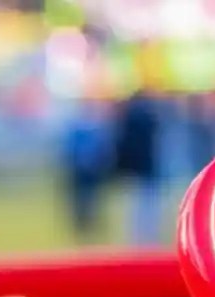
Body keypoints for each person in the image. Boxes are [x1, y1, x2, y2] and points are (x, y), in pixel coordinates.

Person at [114, 89, 165, 247]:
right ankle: (147, 239)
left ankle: (139, 239)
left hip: (137, 169)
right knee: (147, 207)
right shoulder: (148, 117)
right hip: (148, 168)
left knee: (137, 208)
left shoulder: (128, 118)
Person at [60, 96, 113, 244]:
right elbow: (70, 148)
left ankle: (91, 222)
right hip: (79, 169)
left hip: (93, 170)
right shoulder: (79, 127)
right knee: (80, 198)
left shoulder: (96, 127)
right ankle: (82, 223)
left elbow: (104, 149)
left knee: (93, 197)